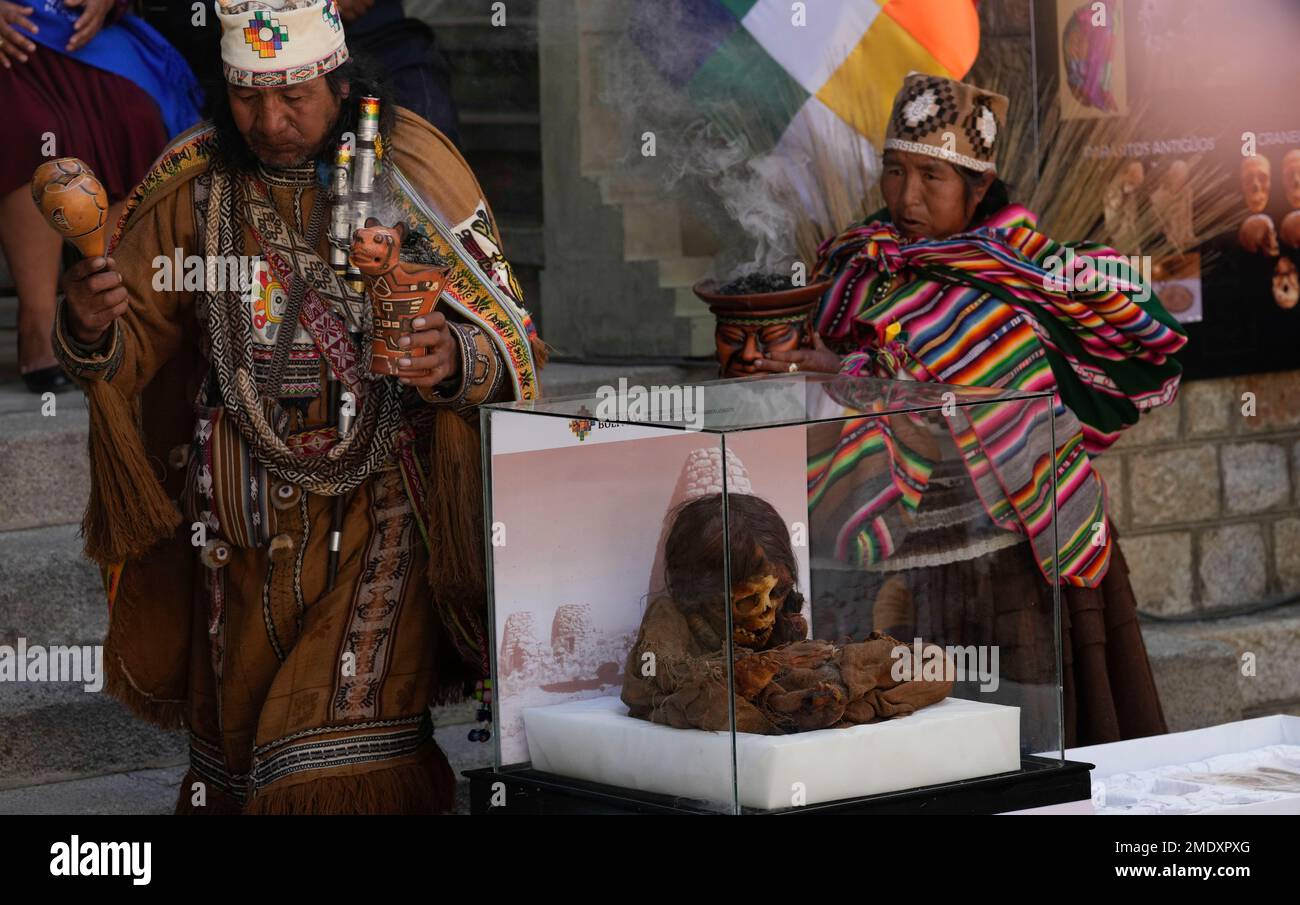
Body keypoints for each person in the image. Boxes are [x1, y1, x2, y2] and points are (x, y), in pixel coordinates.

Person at [53, 0, 544, 814]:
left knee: (325, 769)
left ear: (338, 79)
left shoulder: (412, 165)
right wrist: (88, 319)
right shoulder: (193, 181)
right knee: (240, 766)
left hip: (382, 508)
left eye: (294, 98)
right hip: (236, 527)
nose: (271, 121)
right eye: (248, 98)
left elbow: (511, 332)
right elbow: (126, 338)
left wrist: (454, 357)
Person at [750, 73, 1186, 748]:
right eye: (894, 172)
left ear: (979, 189)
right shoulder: (858, 263)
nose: (906, 196)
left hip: (1008, 559)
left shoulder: (1012, 276)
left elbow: (967, 390)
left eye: (932, 177)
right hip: (892, 559)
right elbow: (835, 371)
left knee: (1020, 744)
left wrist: (861, 373)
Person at [0, 0, 201, 393]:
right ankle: (38, 324)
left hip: (81, 37)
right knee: (33, 128)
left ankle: (113, 317)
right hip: (11, 41)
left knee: (132, 115)